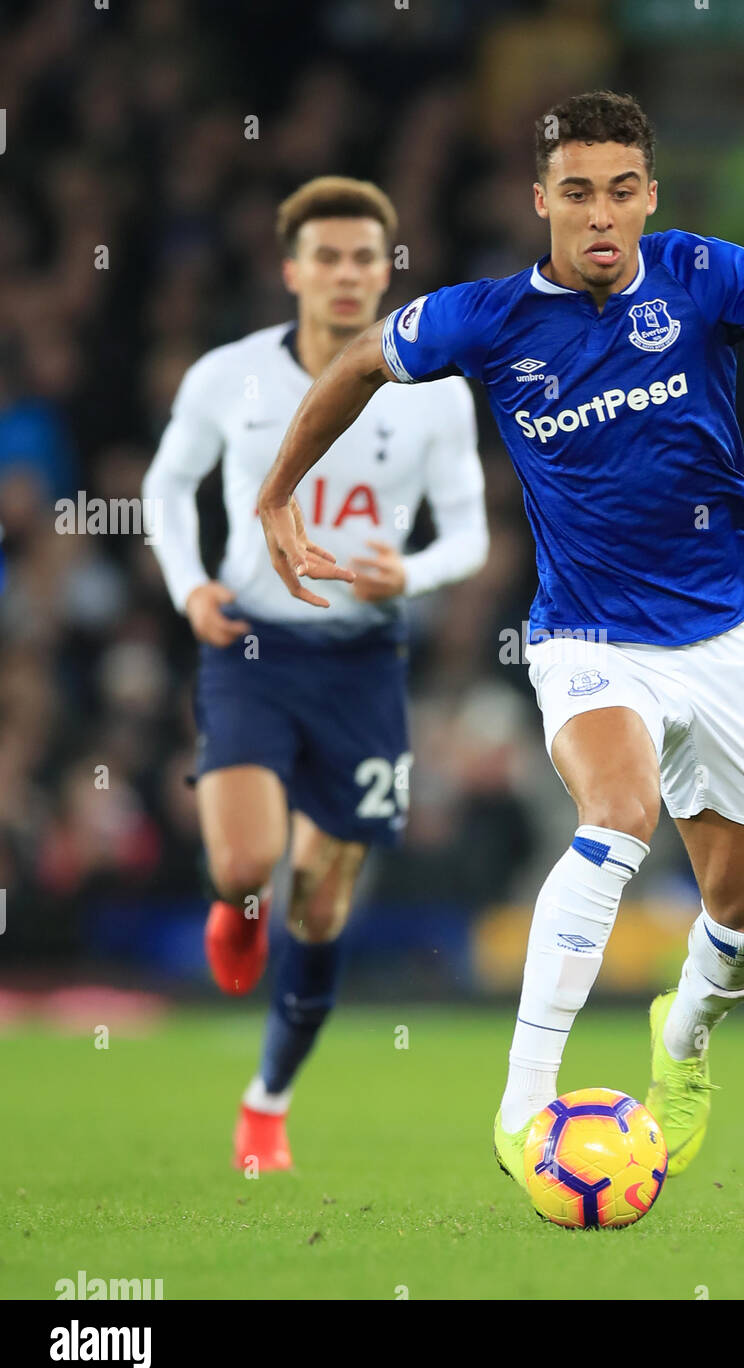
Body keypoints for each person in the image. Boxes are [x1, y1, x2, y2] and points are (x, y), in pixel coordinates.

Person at [254, 94, 744, 1186]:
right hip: (586, 639)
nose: (599, 216)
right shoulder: (483, 318)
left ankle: (679, 1043)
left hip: (724, 638)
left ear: (647, 199)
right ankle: (522, 1103)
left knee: (742, 921)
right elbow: (354, 362)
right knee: (617, 812)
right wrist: (277, 497)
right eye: (576, 192)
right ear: (541, 200)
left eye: (620, 192)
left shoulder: (702, 275)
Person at [142, 177, 488, 1170]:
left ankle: (266, 1100)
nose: (346, 275)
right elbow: (168, 484)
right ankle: (234, 901)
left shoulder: (435, 392)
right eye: (327, 258)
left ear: (387, 271)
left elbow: (466, 533)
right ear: (291, 270)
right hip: (250, 646)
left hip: (364, 660)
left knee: (322, 904)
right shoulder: (228, 376)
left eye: (364, 258)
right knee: (249, 867)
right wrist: (190, 587)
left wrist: (407, 571)